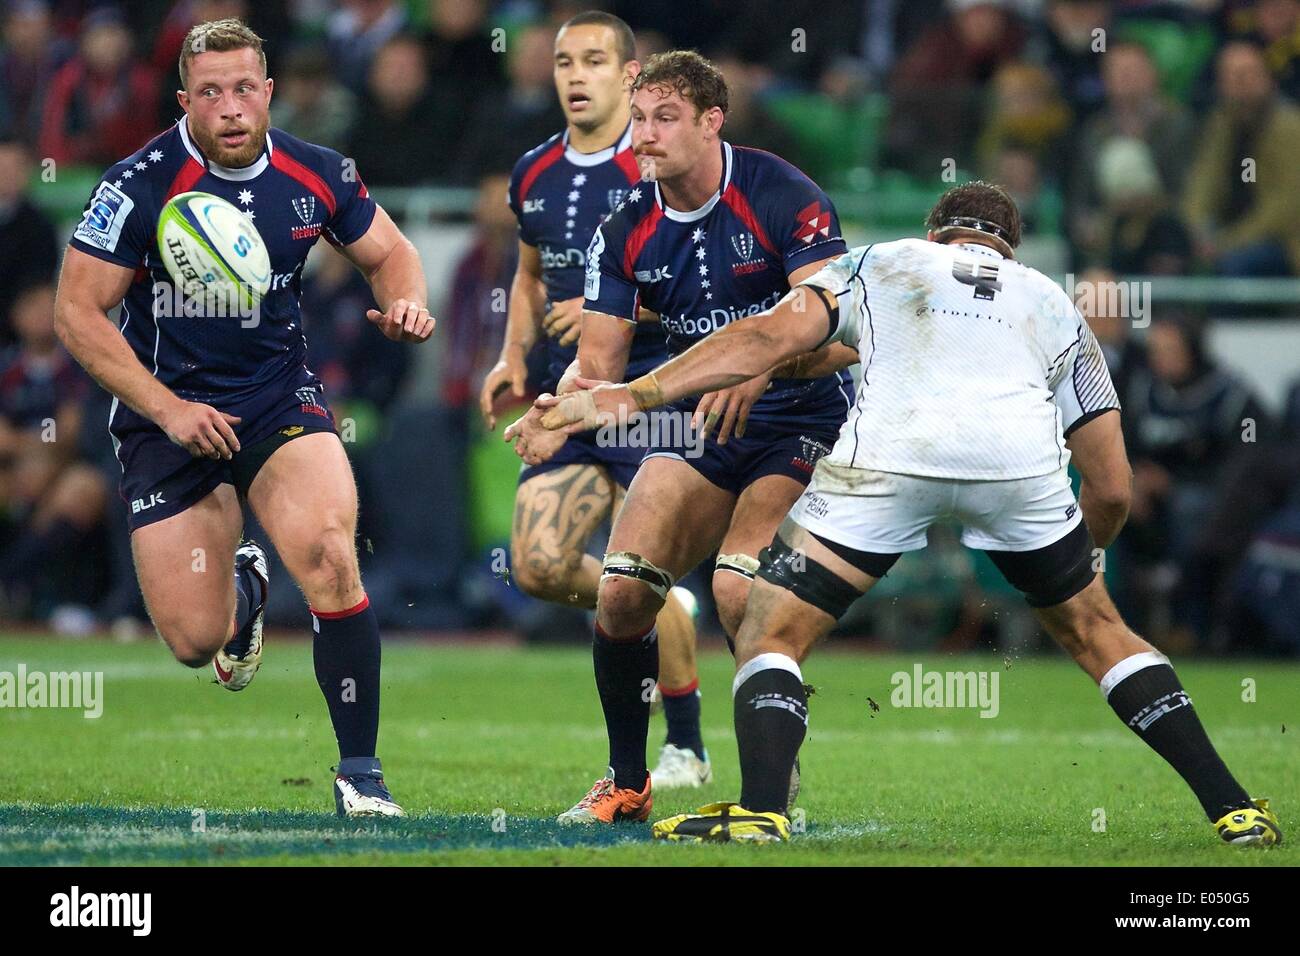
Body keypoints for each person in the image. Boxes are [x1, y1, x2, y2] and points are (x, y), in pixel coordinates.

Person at [535, 181, 1282, 849]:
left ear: (935, 237)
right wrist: (1081, 563)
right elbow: (1113, 484)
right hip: (1017, 469)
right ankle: (1233, 808)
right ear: (1009, 250)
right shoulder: (1054, 303)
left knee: (770, 626)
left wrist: (634, 395)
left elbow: (768, 338)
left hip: (895, 458)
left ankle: (762, 810)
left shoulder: (883, 262)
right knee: (1100, 632)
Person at [53, 18, 434, 818]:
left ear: (268, 92)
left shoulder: (318, 172)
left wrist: (405, 301)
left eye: (243, 90)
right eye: (211, 92)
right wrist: (168, 410)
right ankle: (245, 591)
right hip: (166, 412)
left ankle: (360, 775)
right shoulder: (138, 183)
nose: (230, 107)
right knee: (196, 643)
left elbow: (391, 254)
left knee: (331, 557)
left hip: (276, 399)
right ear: (185, 98)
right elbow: (78, 314)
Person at [507, 50, 851, 824]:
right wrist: (558, 406)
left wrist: (764, 364)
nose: (646, 135)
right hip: (700, 425)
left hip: (803, 421)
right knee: (623, 591)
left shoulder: (784, 194)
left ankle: (773, 773)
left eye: (665, 118)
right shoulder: (627, 228)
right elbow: (600, 371)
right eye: (638, 119)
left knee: (737, 587)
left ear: (710, 121)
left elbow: (850, 338)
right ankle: (628, 783)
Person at [479, 13, 701, 790]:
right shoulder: (534, 171)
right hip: (563, 398)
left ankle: (686, 748)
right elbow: (530, 274)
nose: (576, 75)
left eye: (595, 62)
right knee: (538, 566)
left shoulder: (656, 170)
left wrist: (618, 312)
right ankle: (659, 604)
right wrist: (509, 358)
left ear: (630, 76)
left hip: (650, 396)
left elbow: (702, 293)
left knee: (648, 573)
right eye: (566, 62)